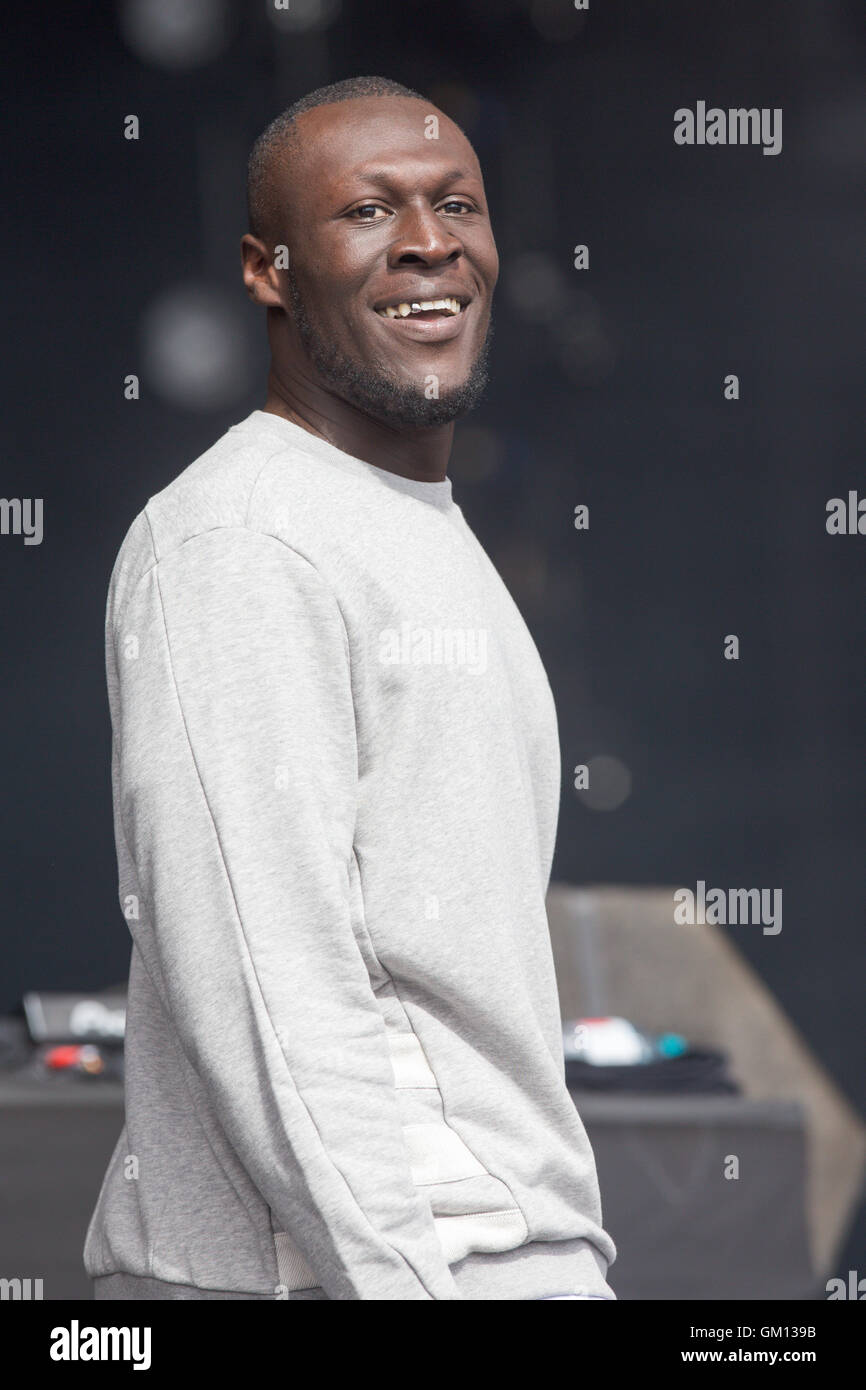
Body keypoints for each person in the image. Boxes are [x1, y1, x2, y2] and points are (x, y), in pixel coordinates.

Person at [84, 75, 617, 1301]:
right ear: (266, 270)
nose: (429, 242)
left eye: (456, 205)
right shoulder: (242, 538)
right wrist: (407, 1284)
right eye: (369, 211)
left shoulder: (418, 528)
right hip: (360, 1273)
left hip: (489, 1254)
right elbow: (269, 977)